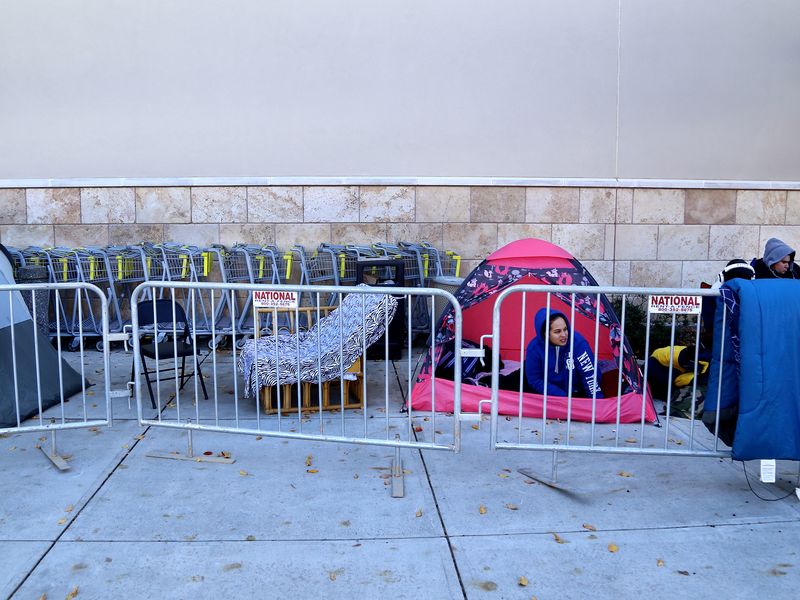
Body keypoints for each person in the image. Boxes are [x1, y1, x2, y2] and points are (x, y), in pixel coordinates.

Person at [525, 308, 604, 398]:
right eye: (557, 331)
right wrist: (562, 397)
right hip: (550, 395)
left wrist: (596, 401)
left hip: (577, 392)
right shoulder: (534, 348)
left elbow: (590, 375)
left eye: (565, 329)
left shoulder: (577, 342)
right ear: (546, 333)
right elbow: (535, 379)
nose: (564, 335)